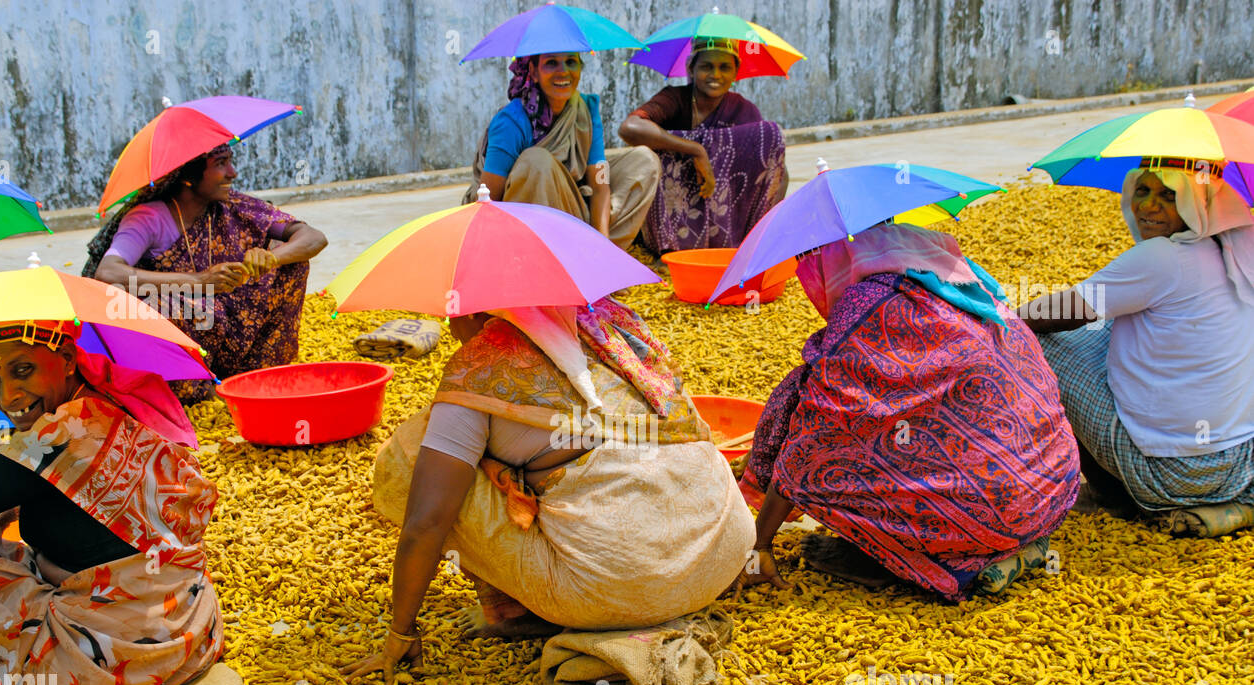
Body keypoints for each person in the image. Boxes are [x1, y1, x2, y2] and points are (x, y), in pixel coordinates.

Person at [343, 296, 754, 683]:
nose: (451, 330)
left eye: (453, 313)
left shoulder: (479, 368)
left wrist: (401, 632)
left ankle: (515, 610)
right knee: (532, 457)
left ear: (473, 311)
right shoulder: (612, 324)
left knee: (416, 453)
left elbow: (426, 520)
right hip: (725, 551)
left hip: (626, 587)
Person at [739, 223, 1081, 601]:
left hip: (983, 522)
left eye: (811, 262)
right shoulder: (956, 277)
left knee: (808, 397)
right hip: (1048, 491)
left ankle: (893, 559)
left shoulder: (867, 301)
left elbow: (817, 424)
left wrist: (761, 546)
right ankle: (1019, 547)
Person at [0, 320, 224, 685]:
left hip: (114, 665)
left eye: (22, 370)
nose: (6, 396)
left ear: (65, 360)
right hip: (187, 631)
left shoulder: (50, 439)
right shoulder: (110, 399)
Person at [1020, 164, 1254, 538]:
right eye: (1142, 192)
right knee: (1110, 326)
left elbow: (1057, 314)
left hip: (1176, 475)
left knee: (1040, 345)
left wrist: (995, 320)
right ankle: (1233, 508)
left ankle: (1114, 497)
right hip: (1239, 465)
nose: (1148, 206)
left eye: (1168, 195)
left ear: (1197, 203)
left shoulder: (1162, 258)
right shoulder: (1236, 247)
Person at [86, 144, 327, 403]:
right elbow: (108, 272)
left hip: (228, 329)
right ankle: (197, 388)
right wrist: (199, 282)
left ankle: (258, 373)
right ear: (189, 175)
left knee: (292, 261)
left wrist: (270, 258)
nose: (232, 173)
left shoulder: (234, 206)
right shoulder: (148, 218)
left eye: (230, 161)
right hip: (185, 330)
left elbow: (314, 237)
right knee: (157, 305)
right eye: (221, 164)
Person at [463, 53, 660, 249]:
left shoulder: (586, 110)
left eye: (571, 62)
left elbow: (600, 184)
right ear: (533, 71)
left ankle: (585, 250)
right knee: (536, 161)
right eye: (551, 63)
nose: (563, 71)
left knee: (644, 160)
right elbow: (488, 201)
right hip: (522, 226)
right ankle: (542, 254)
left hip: (572, 209)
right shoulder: (512, 122)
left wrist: (603, 248)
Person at [620, 38, 787, 253]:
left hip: (727, 214)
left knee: (770, 136)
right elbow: (630, 128)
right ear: (691, 68)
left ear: (736, 72)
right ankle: (670, 249)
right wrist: (695, 150)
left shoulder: (744, 110)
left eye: (724, 67)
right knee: (653, 154)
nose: (715, 75)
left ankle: (749, 245)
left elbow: (772, 166)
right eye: (706, 66)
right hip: (672, 218)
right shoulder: (674, 98)